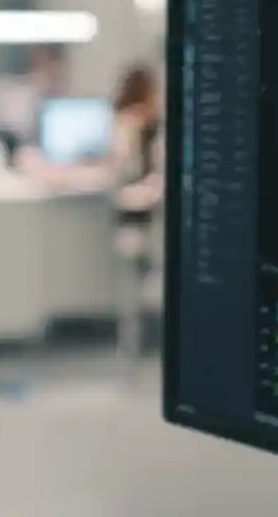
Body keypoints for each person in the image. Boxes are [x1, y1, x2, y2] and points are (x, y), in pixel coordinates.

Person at [109, 64, 164, 365]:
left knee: (140, 287)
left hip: (141, 217)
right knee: (135, 288)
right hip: (135, 219)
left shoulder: (146, 129)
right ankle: (133, 346)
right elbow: (125, 171)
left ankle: (136, 346)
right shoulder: (132, 126)